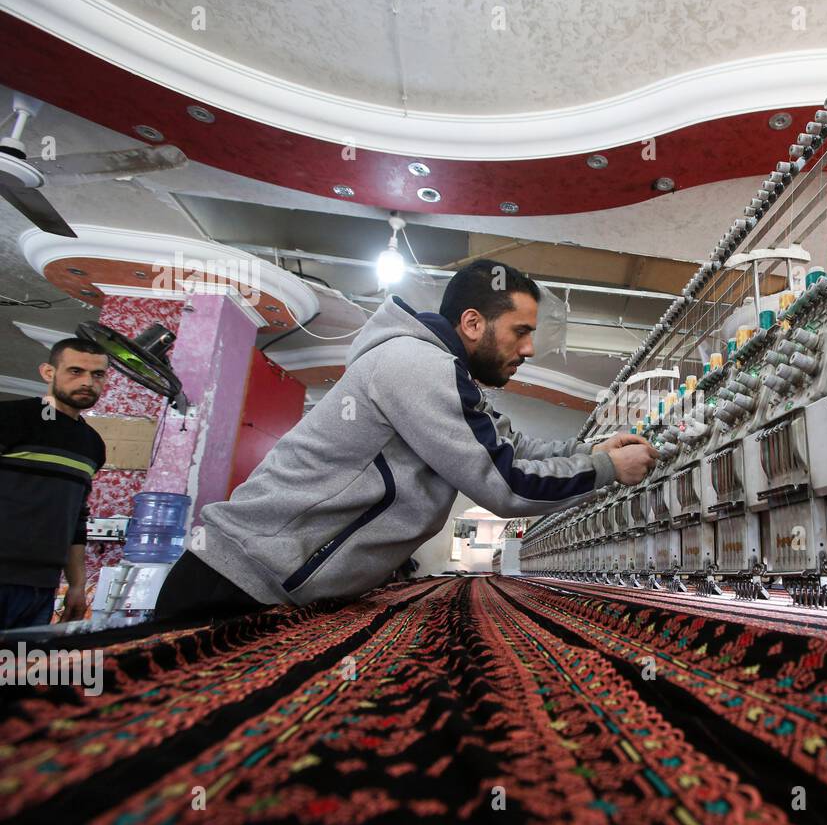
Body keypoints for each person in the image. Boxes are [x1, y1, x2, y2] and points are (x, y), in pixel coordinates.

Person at [153, 260, 657, 621]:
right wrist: (610, 471)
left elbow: (511, 446)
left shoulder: (438, 370)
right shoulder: (417, 367)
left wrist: (594, 451)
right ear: (473, 322)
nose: (528, 349)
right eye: (520, 331)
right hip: (234, 588)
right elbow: (505, 483)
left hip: (264, 583)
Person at [0, 338, 108, 629]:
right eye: (76, 371)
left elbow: (75, 519)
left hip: (42, 586)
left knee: (18, 673)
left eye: (97, 374)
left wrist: (76, 583)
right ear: (49, 372)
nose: (88, 382)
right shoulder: (10, 418)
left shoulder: (92, 445)